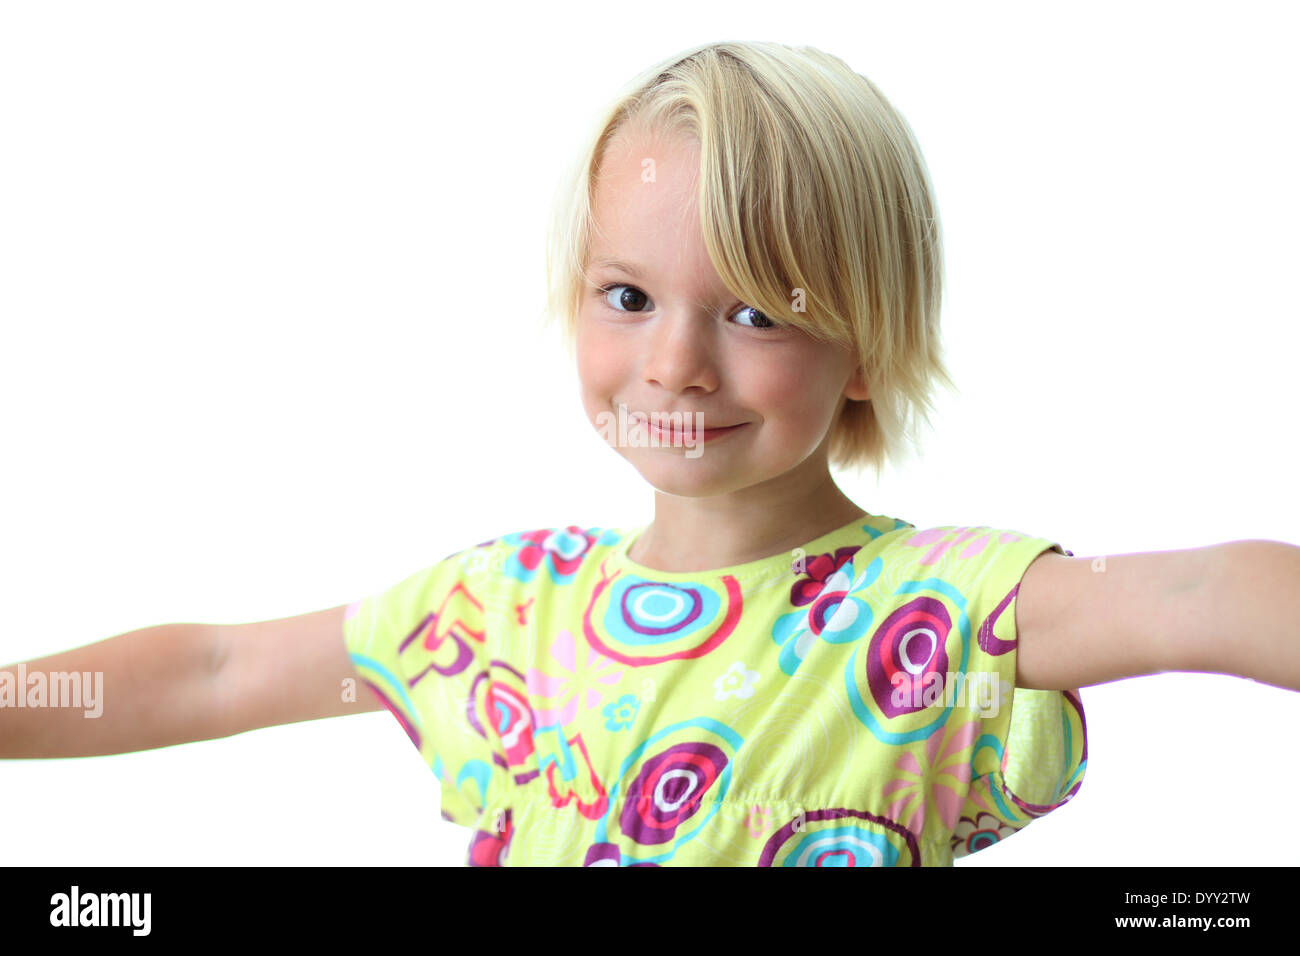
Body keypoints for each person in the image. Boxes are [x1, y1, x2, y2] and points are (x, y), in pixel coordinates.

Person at [3, 39, 1297, 867]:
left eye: (753, 314)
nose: (676, 365)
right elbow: (220, 669)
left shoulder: (938, 619)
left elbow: (1209, 596)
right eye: (629, 298)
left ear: (863, 346)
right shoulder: (495, 615)